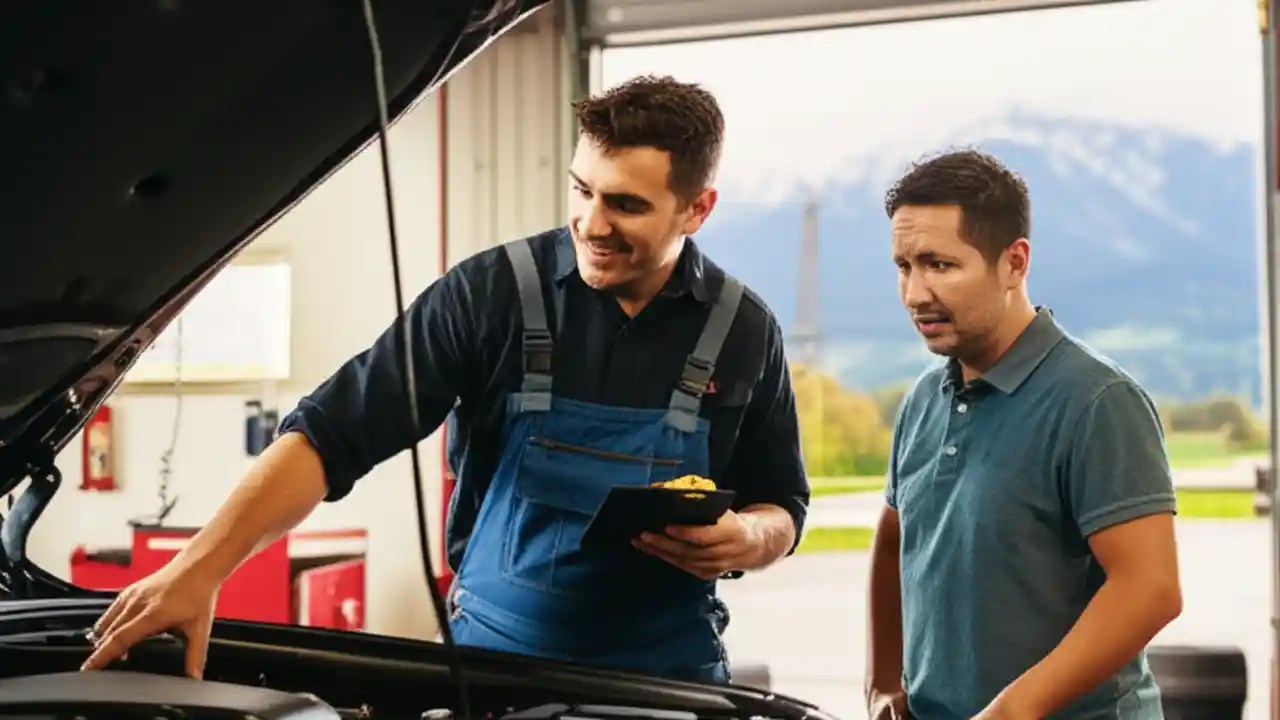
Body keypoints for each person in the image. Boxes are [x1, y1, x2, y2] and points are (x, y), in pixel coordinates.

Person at [81, 74, 810, 685]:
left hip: (664, 678)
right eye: (581, 189)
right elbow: (332, 434)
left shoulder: (744, 331)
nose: (591, 222)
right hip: (494, 667)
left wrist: (750, 537)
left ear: (697, 208)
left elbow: (785, 504)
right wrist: (200, 568)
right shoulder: (491, 295)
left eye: (625, 204)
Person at [864, 149, 1182, 720]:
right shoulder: (920, 402)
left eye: (939, 264)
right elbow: (894, 541)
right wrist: (884, 683)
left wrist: (1013, 711)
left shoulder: (1098, 401)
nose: (914, 294)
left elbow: (1150, 590)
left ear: (1014, 263)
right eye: (903, 266)